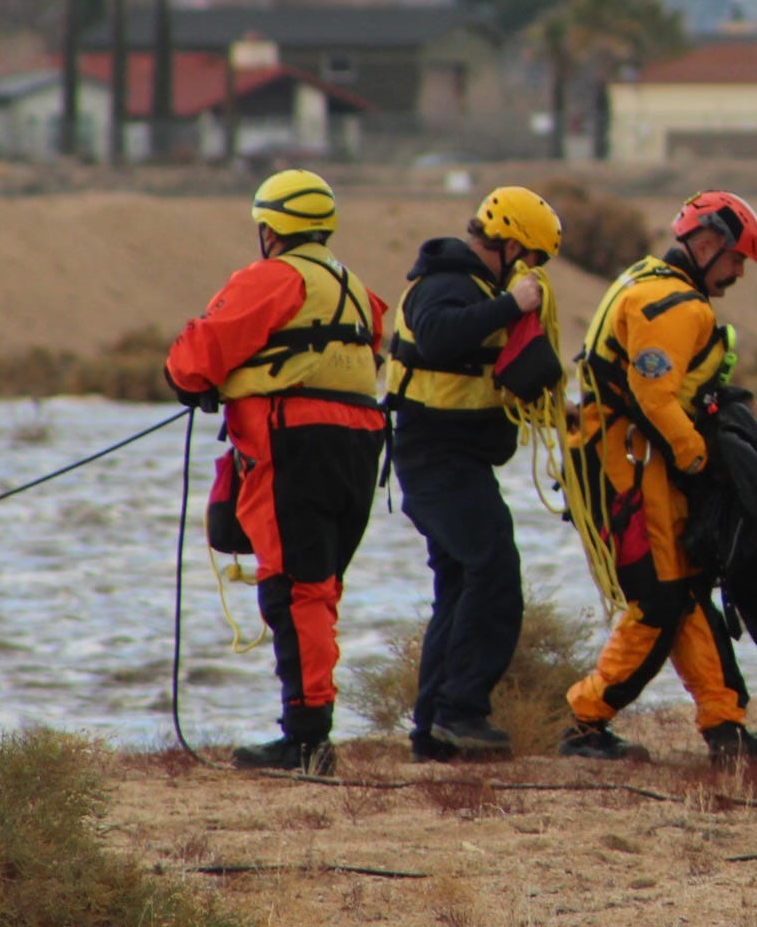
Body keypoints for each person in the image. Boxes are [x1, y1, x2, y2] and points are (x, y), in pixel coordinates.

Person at [167, 169, 389, 771]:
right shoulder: (354, 287)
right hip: (359, 445)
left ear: (271, 229)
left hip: (296, 444)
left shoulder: (271, 278)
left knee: (293, 590)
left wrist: (199, 383)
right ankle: (311, 731)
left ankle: (305, 739)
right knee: (316, 590)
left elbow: (197, 358)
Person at [561, 189, 757, 762]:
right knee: (661, 598)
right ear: (706, 244)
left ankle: (725, 725)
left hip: (622, 460)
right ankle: (584, 722)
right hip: (628, 468)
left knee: (685, 589)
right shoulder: (680, 306)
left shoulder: (643, 277)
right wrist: (700, 460)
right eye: (736, 260)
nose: (738, 273)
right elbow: (654, 398)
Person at [382, 186, 566, 760]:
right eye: (532, 258)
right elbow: (438, 334)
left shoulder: (476, 287)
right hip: (434, 456)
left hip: (455, 459)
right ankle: (461, 712)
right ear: (510, 245)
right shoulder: (446, 283)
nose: (533, 272)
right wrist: (516, 305)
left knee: (461, 584)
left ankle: (433, 730)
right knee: (492, 569)